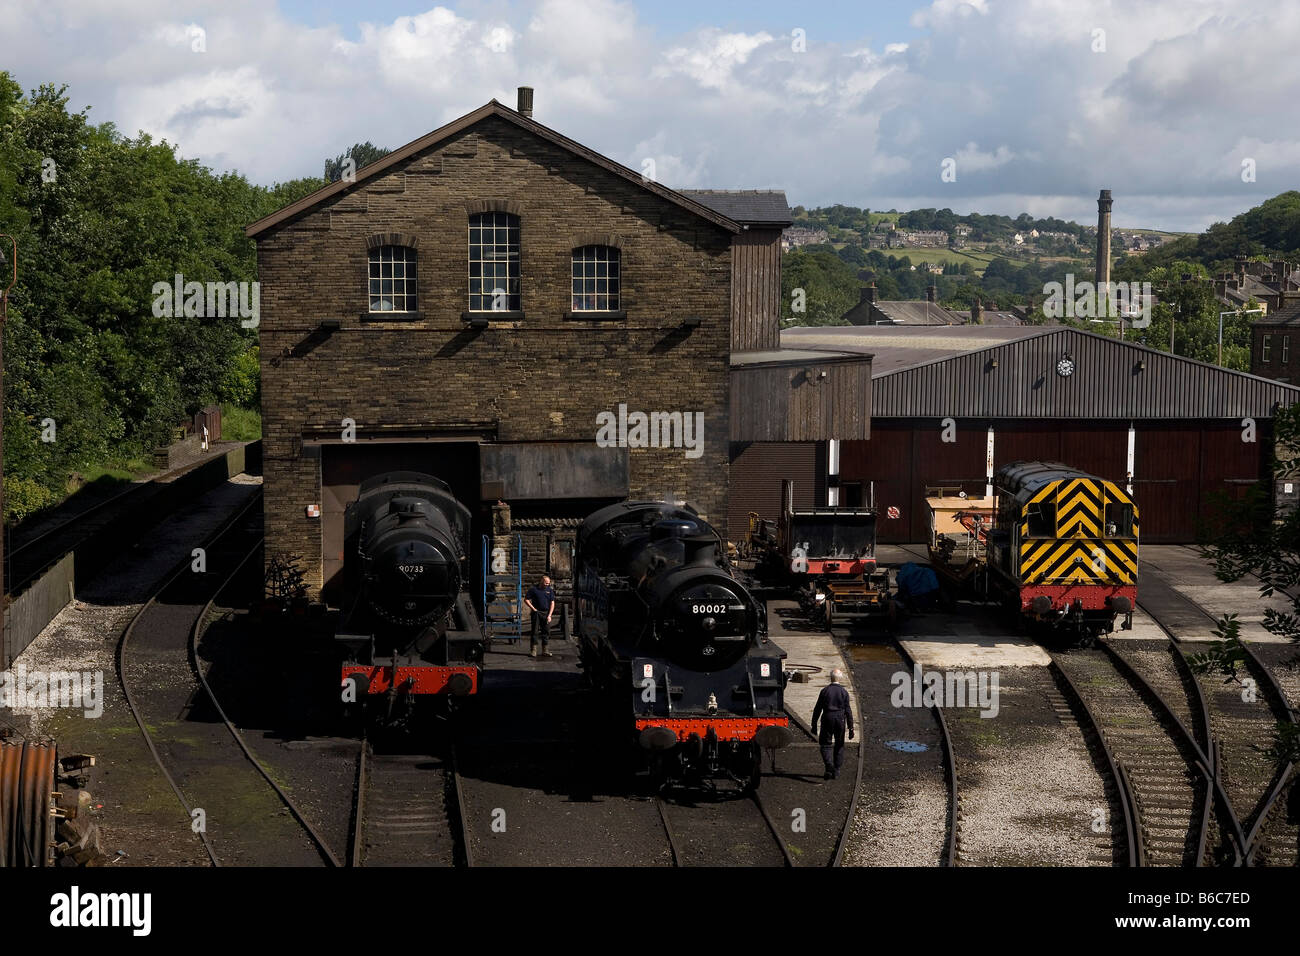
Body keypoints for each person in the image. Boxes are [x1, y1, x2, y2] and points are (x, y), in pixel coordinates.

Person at [811, 668, 855, 780]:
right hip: (840, 719)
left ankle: (829, 766)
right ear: (840, 678)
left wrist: (814, 724)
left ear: (830, 677)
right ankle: (837, 770)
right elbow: (848, 711)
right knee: (839, 745)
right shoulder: (844, 692)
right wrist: (851, 728)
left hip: (827, 717)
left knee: (825, 744)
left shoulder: (825, 691)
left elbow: (817, 709)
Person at [524, 574, 556, 658]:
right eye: (546, 583)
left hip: (546, 613)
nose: (547, 585)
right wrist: (533, 608)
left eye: (548, 583)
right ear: (541, 582)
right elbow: (526, 599)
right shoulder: (534, 589)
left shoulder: (550, 590)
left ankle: (545, 650)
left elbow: (552, 603)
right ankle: (533, 651)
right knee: (534, 631)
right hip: (537, 613)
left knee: (546, 631)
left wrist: (550, 615)